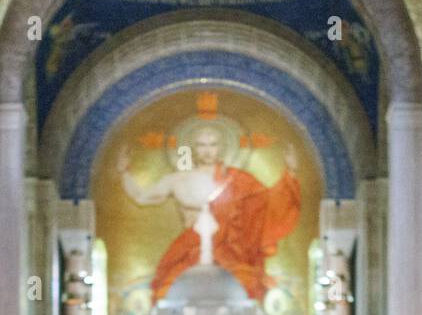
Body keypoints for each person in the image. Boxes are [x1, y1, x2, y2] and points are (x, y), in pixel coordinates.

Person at [117, 127, 301, 302]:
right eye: (201, 145)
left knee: (247, 287)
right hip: (189, 250)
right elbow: (142, 197)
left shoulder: (237, 179)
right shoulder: (178, 180)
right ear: (193, 148)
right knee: (166, 292)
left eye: (212, 144)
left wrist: (290, 173)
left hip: (230, 253)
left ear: (221, 148)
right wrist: (123, 172)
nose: (207, 150)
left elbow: (267, 204)